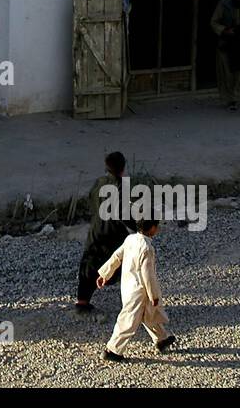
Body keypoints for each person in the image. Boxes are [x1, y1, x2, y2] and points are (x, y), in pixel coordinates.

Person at [98, 216, 175, 361]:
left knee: (149, 314)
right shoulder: (147, 248)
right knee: (129, 320)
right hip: (140, 290)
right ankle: (112, 350)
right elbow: (148, 275)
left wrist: (105, 274)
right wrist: (154, 295)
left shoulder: (130, 239)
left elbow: (116, 257)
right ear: (152, 228)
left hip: (128, 286)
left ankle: (162, 339)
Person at [75, 151, 136, 313]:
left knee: (89, 264)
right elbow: (123, 213)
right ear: (123, 168)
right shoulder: (122, 185)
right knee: (125, 266)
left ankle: (82, 302)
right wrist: (138, 229)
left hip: (97, 228)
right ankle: (134, 303)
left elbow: (91, 198)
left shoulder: (99, 182)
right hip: (113, 232)